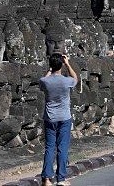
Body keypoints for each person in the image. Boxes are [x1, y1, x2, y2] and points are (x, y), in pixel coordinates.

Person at [39, 52, 78, 186]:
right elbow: (75, 78)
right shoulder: (67, 81)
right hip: (64, 117)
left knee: (50, 147)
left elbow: (43, 81)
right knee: (62, 147)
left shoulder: (45, 81)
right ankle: (61, 178)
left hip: (50, 117)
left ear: (50, 65)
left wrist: (50, 69)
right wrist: (67, 64)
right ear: (61, 65)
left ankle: (46, 179)